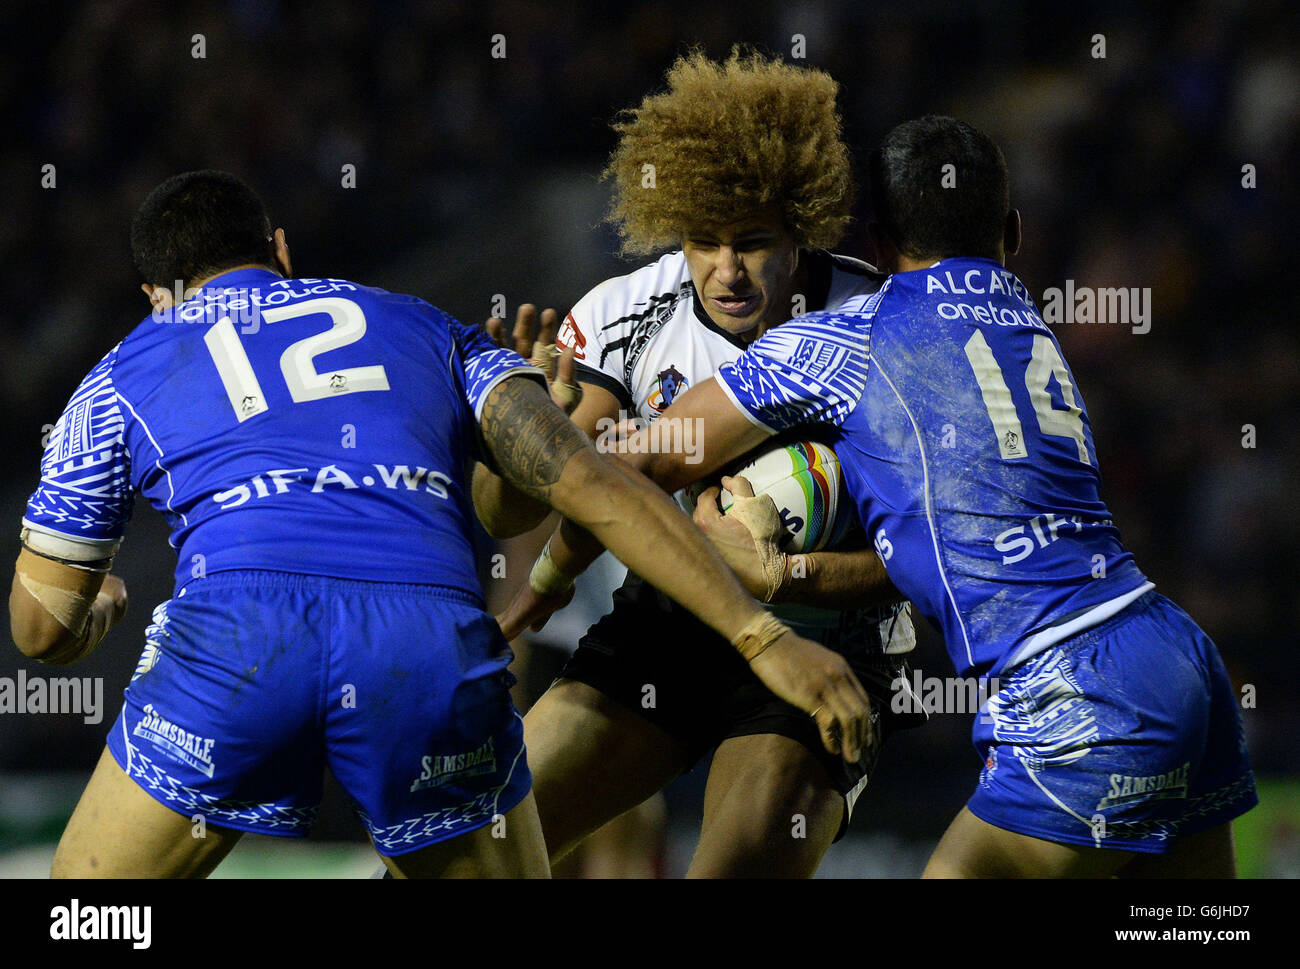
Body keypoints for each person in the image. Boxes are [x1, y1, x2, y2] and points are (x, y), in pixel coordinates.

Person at [9, 170, 871, 879]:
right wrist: (763, 636)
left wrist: (106, 611)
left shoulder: (119, 372)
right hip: (420, 640)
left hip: (238, 638)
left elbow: (40, 629)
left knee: (90, 917)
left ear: (156, 295)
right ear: (281, 252)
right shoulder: (428, 327)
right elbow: (592, 491)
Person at [520, 116, 1259, 877]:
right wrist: (782, 578)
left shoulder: (848, 332)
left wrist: (545, 561)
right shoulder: (1031, 323)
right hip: (1177, 652)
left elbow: (624, 470)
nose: (729, 267)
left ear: (871, 244)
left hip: (1068, 684)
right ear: (1011, 232)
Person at [475, 51, 922, 878]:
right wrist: (518, 430)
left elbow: (927, 558)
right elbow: (509, 513)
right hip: (668, 624)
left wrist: (795, 578)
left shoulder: (883, 327)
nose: (726, 270)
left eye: (752, 243)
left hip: (831, 645)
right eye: (703, 243)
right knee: (472, 844)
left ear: (801, 226)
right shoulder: (621, 316)